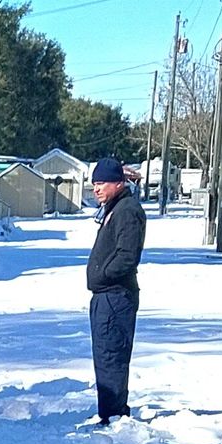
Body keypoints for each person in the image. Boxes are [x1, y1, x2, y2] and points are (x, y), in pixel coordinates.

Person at [86, 156, 145, 425]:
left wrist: (104, 275)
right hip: (105, 296)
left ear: (118, 183)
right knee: (104, 354)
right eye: (94, 184)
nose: (96, 189)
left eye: (102, 183)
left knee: (112, 355)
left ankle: (113, 415)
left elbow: (127, 256)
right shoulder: (114, 208)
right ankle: (109, 411)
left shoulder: (127, 210)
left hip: (115, 296)